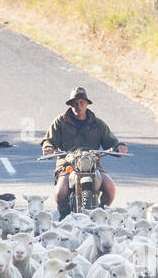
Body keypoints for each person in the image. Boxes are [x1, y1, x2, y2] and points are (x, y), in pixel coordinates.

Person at [41, 86, 128, 217]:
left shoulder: (98, 124)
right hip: (67, 165)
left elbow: (111, 142)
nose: (78, 106)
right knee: (60, 193)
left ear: (87, 103)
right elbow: (49, 140)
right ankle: (64, 216)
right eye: (75, 103)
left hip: (93, 164)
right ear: (70, 104)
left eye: (81, 102)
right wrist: (48, 148)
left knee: (110, 188)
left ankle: (101, 215)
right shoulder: (60, 122)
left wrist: (119, 146)